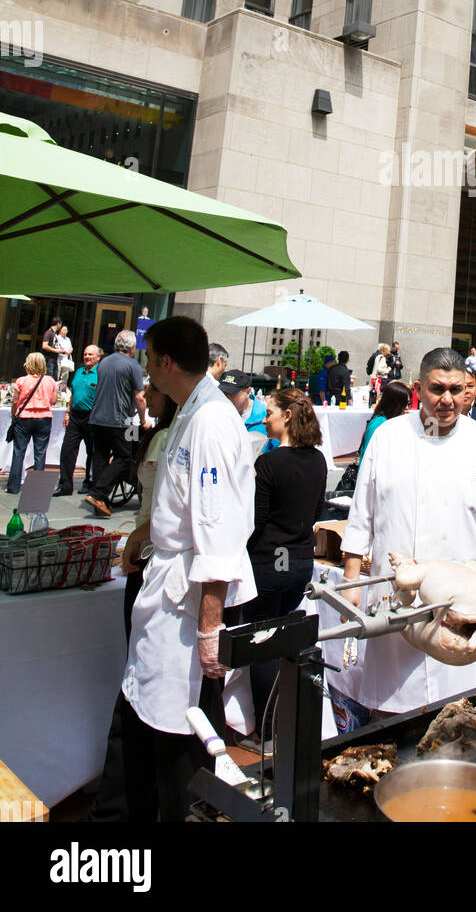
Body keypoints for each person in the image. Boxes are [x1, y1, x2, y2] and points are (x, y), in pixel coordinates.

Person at [116, 316, 256, 822]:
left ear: (166, 363)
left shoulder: (212, 422)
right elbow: (178, 503)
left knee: (184, 739)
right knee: (152, 726)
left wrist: (209, 628)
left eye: (149, 361)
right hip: (164, 587)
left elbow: (217, 532)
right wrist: (144, 531)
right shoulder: (187, 413)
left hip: (187, 604)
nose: (147, 372)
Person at [340, 348, 476, 714]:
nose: (447, 400)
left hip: (464, 600)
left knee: (462, 714)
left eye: (457, 390)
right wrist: (351, 585)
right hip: (395, 598)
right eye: (438, 389)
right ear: (418, 389)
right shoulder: (388, 437)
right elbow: (362, 516)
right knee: (391, 715)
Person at [87, 384, 179, 822]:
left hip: (149, 564)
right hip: (147, 559)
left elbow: (164, 509)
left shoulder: (170, 436)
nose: (143, 394)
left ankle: (130, 805)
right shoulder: (164, 433)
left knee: (140, 683)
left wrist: (138, 540)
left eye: (151, 388)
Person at [241, 390, 328, 741]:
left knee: (263, 643)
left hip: (268, 560)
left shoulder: (270, 463)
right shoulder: (318, 460)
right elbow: (317, 512)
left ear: (288, 417)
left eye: (271, 412)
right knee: (283, 638)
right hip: (300, 561)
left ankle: (267, 728)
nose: (266, 417)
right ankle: (286, 722)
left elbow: (255, 521)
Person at [85, 330, 148, 518]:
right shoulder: (133, 365)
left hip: (97, 418)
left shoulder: (104, 362)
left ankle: (99, 499)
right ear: (132, 347)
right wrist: (144, 420)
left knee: (100, 457)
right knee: (125, 457)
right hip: (123, 420)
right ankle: (98, 493)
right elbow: (139, 396)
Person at [5, 353, 58, 495]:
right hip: (44, 418)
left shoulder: (21, 381)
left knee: (19, 452)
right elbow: (53, 401)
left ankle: (13, 487)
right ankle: (37, 488)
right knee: (40, 453)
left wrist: (14, 415)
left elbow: (15, 402)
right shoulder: (50, 381)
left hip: (25, 418)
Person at [55, 344, 102, 496]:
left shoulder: (101, 373)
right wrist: (67, 412)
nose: (87, 357)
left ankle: (88, 482)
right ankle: (65, 485)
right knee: (67, 450)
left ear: (98, 357)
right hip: (75, 416)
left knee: (92, 452)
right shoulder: (79, 372)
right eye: (85, 354)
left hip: (91, 417)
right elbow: (73, 394)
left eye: (90, 355)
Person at [358, 379, 411, 461]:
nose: (407, 408)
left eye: (408, 404)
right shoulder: (379, 423)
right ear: (392, 403)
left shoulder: (393, 421)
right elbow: (368, 457)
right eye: (403, 404)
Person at [218, 369, 268, 439]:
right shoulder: (219, 413)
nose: (227, 398)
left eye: (232, 393)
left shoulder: (266, 416)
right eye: (224, 393)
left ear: (248, 392)